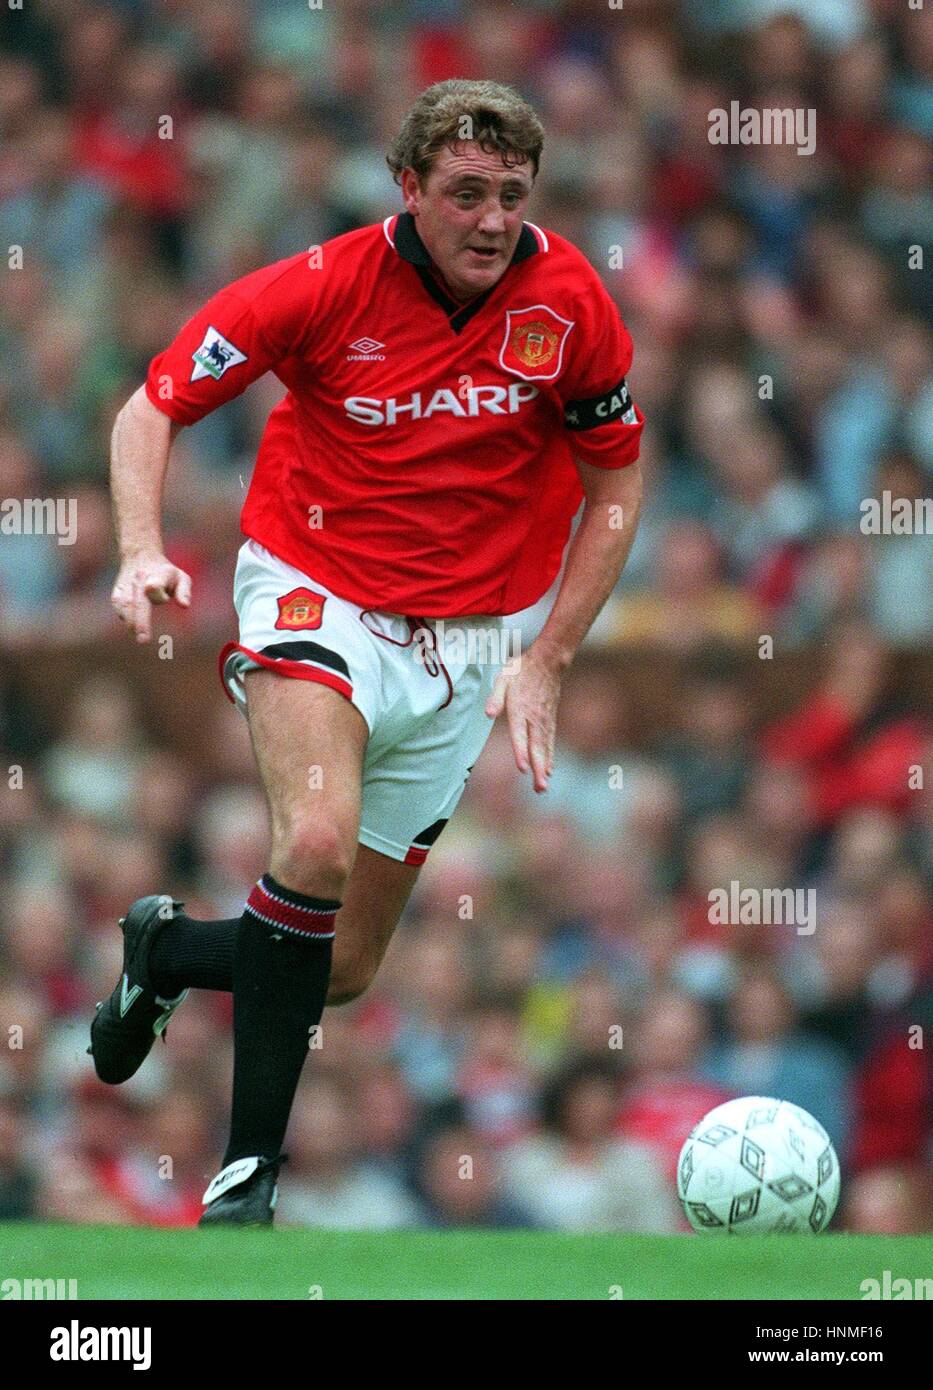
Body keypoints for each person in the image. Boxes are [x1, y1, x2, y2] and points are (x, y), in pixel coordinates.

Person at [90, 79, 644, 1226]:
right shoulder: (323, 284)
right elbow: (150, 408)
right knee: (313, 838)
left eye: (512, 196)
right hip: (315, 590)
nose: (493, 219)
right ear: (408, 187)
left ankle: (167, 953)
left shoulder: (572, 301)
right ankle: (247, 1180)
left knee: (339, 968)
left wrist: (547, 657)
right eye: (466, 193)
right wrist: (140, 548)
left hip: (469, 639)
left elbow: (617, 482)